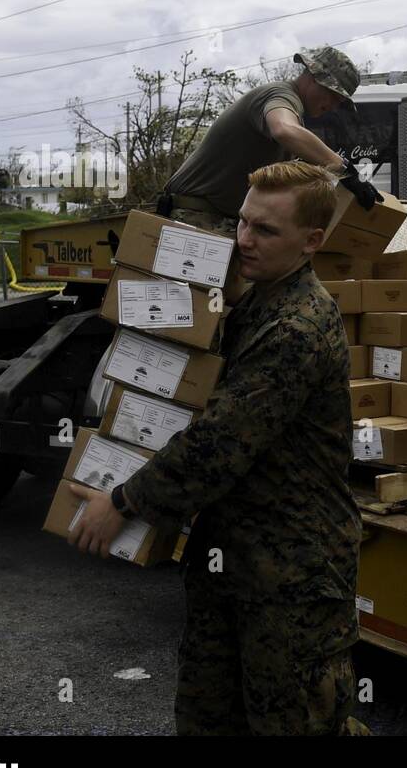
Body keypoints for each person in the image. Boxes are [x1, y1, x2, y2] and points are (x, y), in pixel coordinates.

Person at [68, 160, 365, 735]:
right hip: (228, 561)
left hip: (292, 576)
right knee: (207, 719)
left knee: (294, 725)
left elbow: (216, 446)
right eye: (243, 223)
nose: (244, 240)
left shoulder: (295, 328)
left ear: (312, 242)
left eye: (265, 231)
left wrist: (122, 502)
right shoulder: (255, 303)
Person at [160, 46, 378, 234]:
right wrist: (344, 169)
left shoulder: (294, 113)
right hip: (195, 218)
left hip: (216, 219)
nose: (333, 106)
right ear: (315, 78)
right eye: (333, 96)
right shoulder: (281, 96)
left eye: (340, 102)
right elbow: (284, 130)